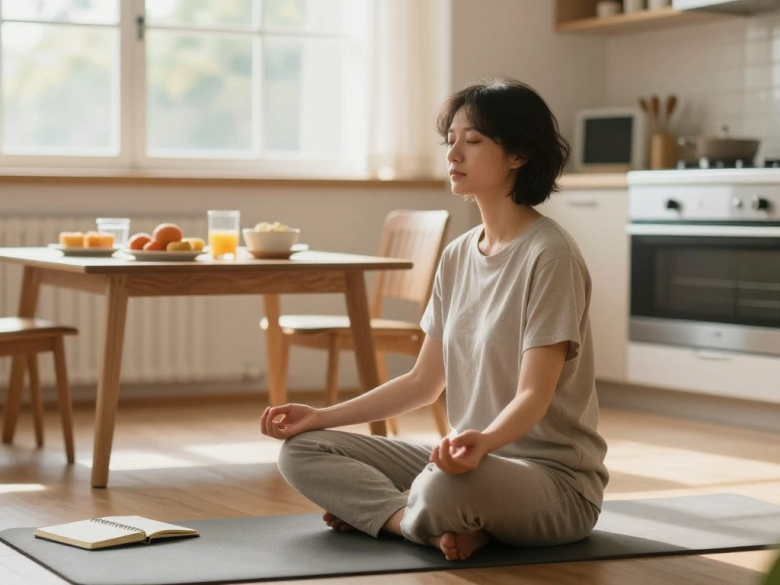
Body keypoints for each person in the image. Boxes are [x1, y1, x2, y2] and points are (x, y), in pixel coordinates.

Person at [259, 78, 609, 562]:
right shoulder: (457, 256)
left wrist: (482, 442)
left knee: (443, 484)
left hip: (553, 483)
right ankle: (418, 520)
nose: (454, 155)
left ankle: (393, 516)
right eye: (451, 142)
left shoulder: (550, 256)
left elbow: (534, 395)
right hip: (465, 463)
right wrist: (321, 416)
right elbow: (424, 382)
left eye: (474, 141)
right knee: (301, 450)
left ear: (518, 155)